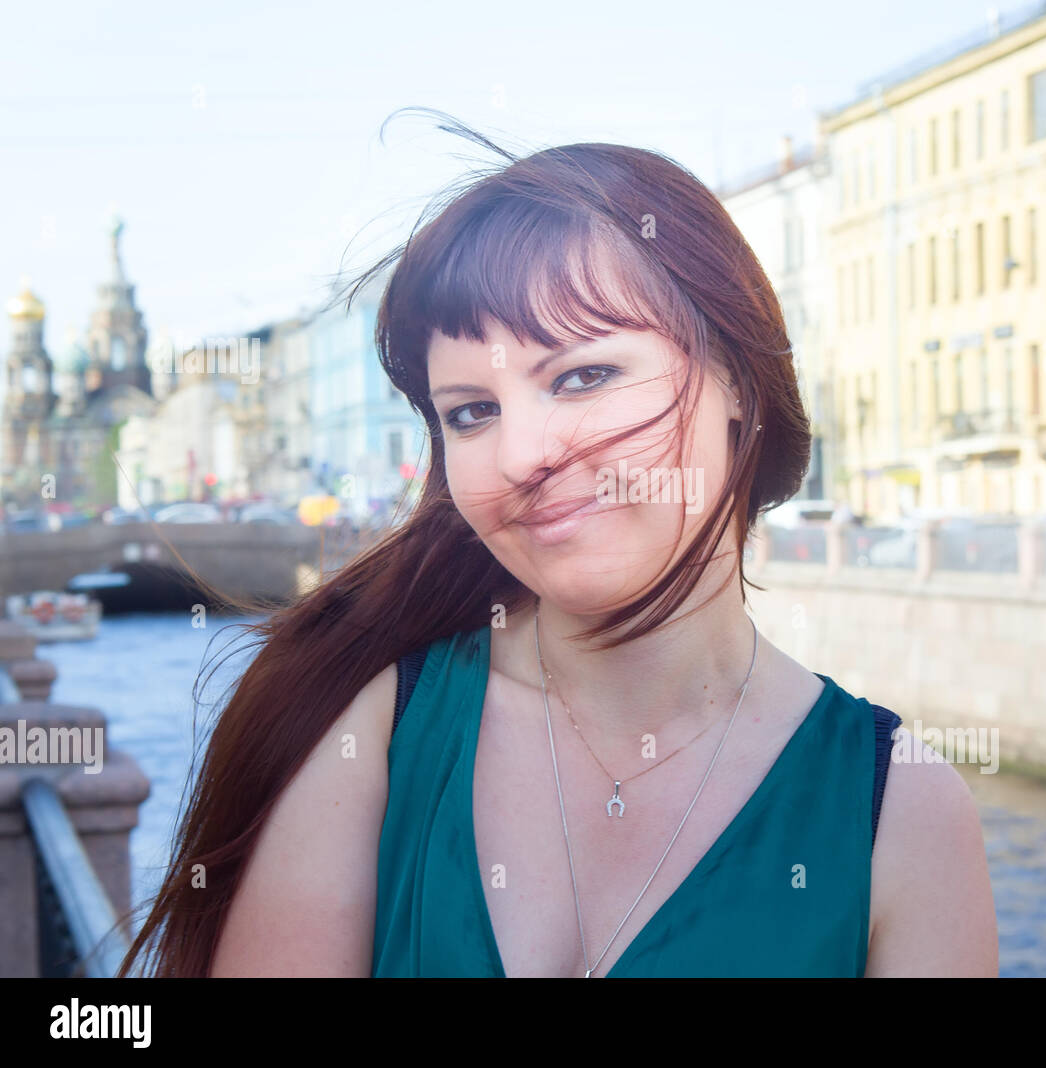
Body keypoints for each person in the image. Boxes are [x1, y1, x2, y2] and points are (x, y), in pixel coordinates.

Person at [117, 112, 997, 978]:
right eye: (472, 413)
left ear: (737, 375)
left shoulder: (899, 812)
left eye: (582, 375)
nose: (521, 453)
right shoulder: (364, 724)